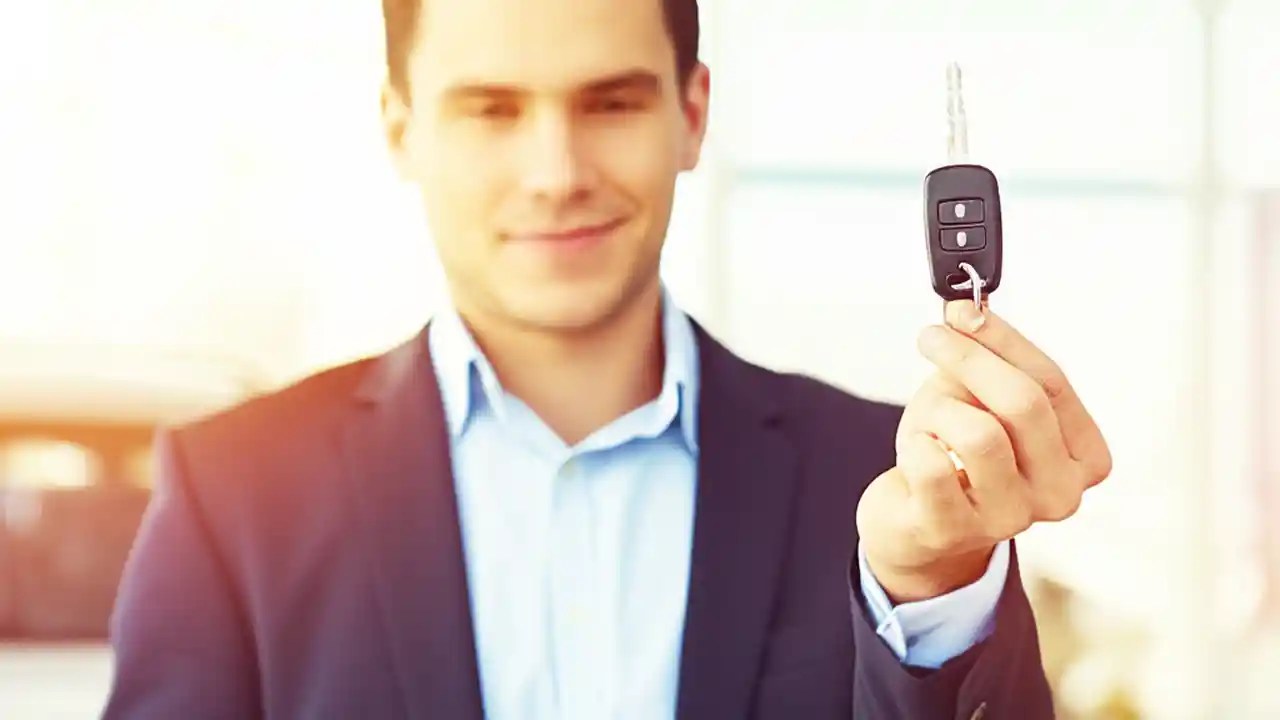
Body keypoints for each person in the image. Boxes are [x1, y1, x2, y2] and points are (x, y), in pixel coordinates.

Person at [103, 0, 1112, 718]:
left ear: (691, 115)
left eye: (610, 103)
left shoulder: (887, 486)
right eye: (491, 109)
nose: (555, 174)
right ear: (401, 130)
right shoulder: (233, 492)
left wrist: (931, 585)